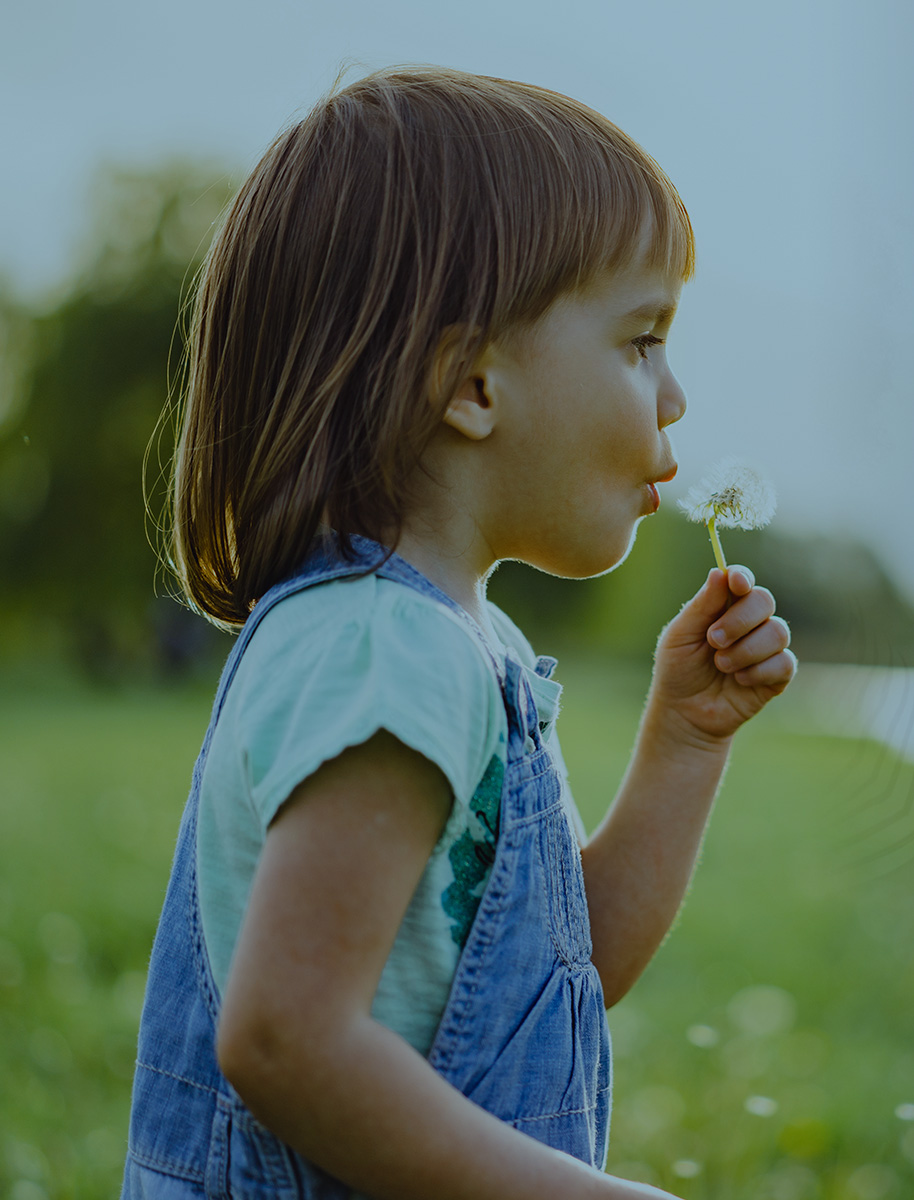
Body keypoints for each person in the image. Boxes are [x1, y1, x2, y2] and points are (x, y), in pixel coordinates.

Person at [121, 66, 796, 1200]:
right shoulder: (386, 650)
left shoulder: (450, 638)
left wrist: (686, 740)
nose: (672, 396)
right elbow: (288, 1043)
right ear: (469, 383)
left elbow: (557, 977)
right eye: (639, 340)